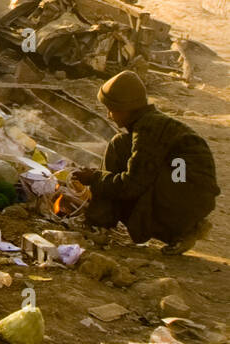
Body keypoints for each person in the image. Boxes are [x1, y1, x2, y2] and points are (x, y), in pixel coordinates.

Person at [74, 70, 219, 254]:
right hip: (188, 188)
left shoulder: (148, 128)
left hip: (185, 191)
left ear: (126, 109)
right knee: (119, 144)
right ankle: (185, 227)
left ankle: (181, 230)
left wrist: (95, 178)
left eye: (112, 109)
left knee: (127, 176)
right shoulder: (152, 122)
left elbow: (131, 185)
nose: (109, 115)